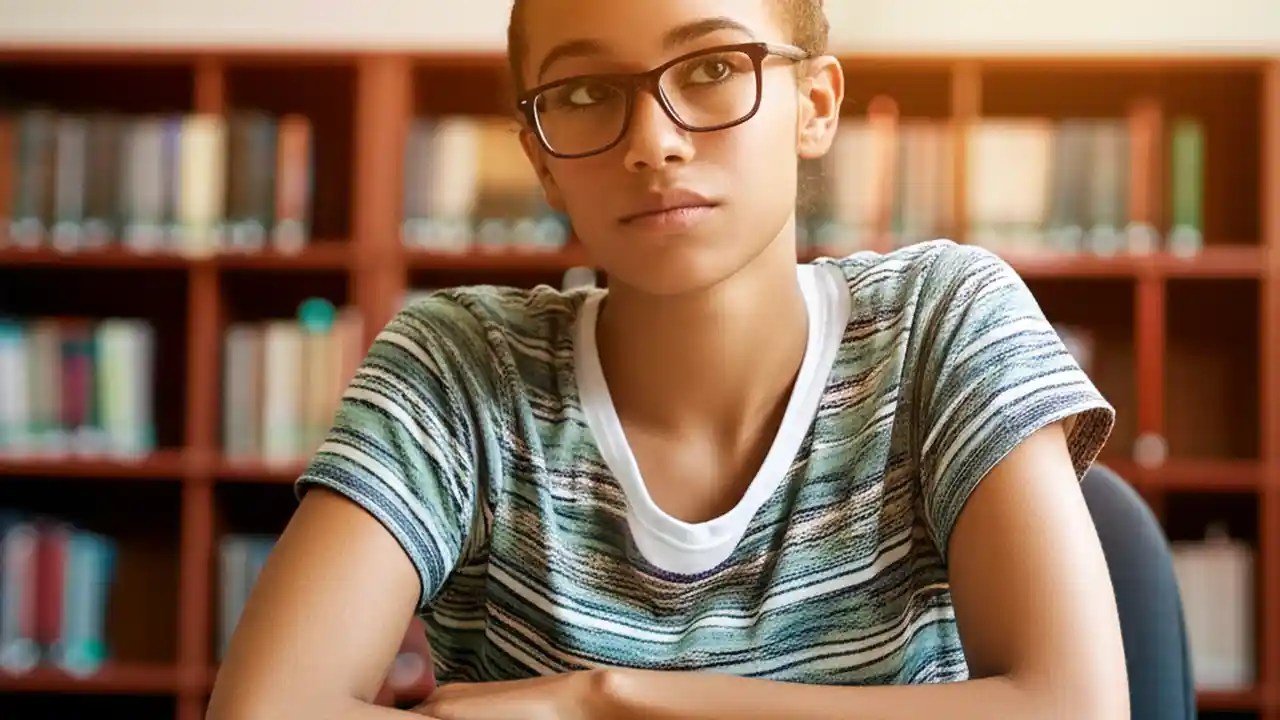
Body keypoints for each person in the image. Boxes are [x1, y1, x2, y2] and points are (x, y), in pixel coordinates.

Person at [207, 1, 1129, 718]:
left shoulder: (943, 322)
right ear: (540, 161)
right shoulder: (460, 369)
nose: (654, 141)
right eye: (583, 93)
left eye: (716, 68)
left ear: (815, 106)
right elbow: (267, 710)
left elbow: (1077, 709)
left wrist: (609, 699)